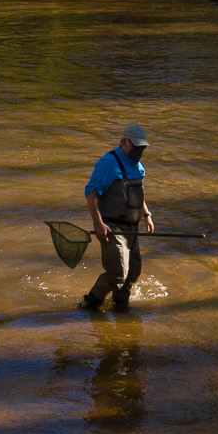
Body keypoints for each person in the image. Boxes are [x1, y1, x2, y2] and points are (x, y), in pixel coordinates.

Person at [82, 125, 156, 309]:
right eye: (136, 147)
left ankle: (120, 305)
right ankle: (90, 304)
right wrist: (99, 224)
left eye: (142, 148)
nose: (139, 151)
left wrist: (147, 215)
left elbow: (139, 192)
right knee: (118, 274)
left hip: (132, 227)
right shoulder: (108, 163)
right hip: (112, 227)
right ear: (124, 142)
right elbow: (91, 194)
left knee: (133, 273)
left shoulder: (138, 166)